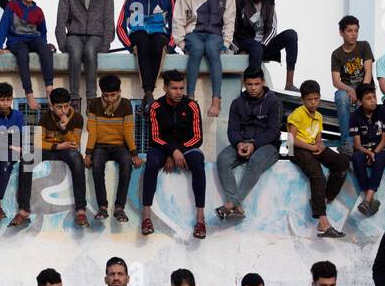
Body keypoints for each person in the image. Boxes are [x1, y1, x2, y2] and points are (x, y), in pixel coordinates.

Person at [141, 70, 208, 238]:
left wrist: (179, 151)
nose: (179, 92)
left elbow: (198, 137)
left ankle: (200, 219)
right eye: (174, 88)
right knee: (152, 161)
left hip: (187, 148)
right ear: (165, 88)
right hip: (164, 148)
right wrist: (172, 152)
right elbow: (155, 138)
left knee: (198, 162)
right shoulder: (156, 107)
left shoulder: (192, 105)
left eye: (181, 88)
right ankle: (146, 216)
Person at [14, 86, 89, 227]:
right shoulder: (45, 117)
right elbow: (38, 142)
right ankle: (23, 210)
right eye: (59, 107)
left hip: (68, 151)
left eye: (66, 106)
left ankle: (80, 210)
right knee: (27, 158)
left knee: (77, 159)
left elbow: (75, 143)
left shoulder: (77, 118)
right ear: (52, 106)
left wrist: (64, 128)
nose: (63, 110)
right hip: (52, 149)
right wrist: (58, 146)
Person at [216, 66, 281, 223]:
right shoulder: (237, 103)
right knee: (223, 159)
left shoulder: (274, 102)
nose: (253, 88)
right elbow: (232, 130)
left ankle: (231, 203)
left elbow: (273, 131)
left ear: (263, 82)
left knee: (256, 161)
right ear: (244, 83)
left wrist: (254, 144)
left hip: (267, 147)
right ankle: (236, 207)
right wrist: (239, 143)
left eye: (256, 84)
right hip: (242, 143)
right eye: (249, 84)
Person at [174, 0, 235, 118]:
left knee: (211, 49)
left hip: (214, 34)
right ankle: (190, 97)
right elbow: (178, 19)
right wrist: (181, 43)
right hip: (193, 34)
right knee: (198, 48)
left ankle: (216, 99)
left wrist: (226, 43)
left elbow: (230, 20)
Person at [288, 79, 349, 238]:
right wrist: (311, 147)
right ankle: (323, 221)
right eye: (309, 99)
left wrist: (320, 145)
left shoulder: (319, 116)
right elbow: (290, 140)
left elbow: (318, 136)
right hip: (296, 149)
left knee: (342, 162)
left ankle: (324, 198)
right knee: (318, 175)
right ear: (303, 100)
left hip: (312, 147)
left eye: (316, 99)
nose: (313, 102)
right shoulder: (297, 114)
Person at [55, 0, 115, 108]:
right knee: (75, 53)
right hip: (74, 34)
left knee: (89, 51)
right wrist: (62, 44)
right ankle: (74, 98)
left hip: (96, 36)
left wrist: (106, 44)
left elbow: (109, 19)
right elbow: (61, 18)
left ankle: (91, 98)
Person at [117, 0, 175, 105]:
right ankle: (148, 91)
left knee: (156, 43)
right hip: (138, 35)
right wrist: (129, 46)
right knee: (142, 41)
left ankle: (148, 92)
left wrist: (170, 45)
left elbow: (176, 26)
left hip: (159, 35)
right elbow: (120, 26)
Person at [85, 75, 140, 223]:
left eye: (113, 95)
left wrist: (134, 153)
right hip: (100, 147)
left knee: (127, 164)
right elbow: (93, 132)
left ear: (119, 92)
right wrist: (88, 153)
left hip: (120, 147)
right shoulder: (94, 104)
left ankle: (119, 208)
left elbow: (128, 132)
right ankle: (102, 206)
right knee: (96, 165)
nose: (109, 99)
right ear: (101, 93)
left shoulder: (126, 105)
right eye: (106, 95)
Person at [234, 0, 299, 93]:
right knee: (255, 47)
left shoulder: (269, 1)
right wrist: (237, 49)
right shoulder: (240, 4)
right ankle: (255, 87)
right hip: (248, 43)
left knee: (291, 35)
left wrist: (263, 44)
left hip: (264, 45)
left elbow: (273, 28)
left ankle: (289, 83)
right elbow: (234, 30)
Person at [0, 0, 52, 108]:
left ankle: (49, 89)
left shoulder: (38, 11)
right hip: (16, 41)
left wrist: (44, 44)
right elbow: (3, 26)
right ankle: (29, 93)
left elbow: (42, 31)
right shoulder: (12, 6)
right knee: (22, 54)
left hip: (34, 39)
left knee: (46, 51)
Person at [0, 82, 28, 225]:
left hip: (10, 153)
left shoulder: (18, 116)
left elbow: (20, 138)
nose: (5, 103)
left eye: (8, 100)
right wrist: (10, 142)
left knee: (6, 164)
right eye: (2, 100)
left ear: (12, 99)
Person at [329, 15, 374, 154]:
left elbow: (368, 72)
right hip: (347, 88)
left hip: (364, 86)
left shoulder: (364, 45)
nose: (353, 34)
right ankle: (347, 142)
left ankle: (366, 142)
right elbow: (336, 81)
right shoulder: (336, 54)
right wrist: (349, 90)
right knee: (341, 97)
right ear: (341, 32)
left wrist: (361, 92)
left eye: (356, 30)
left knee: (365, 101)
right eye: (350, 31)